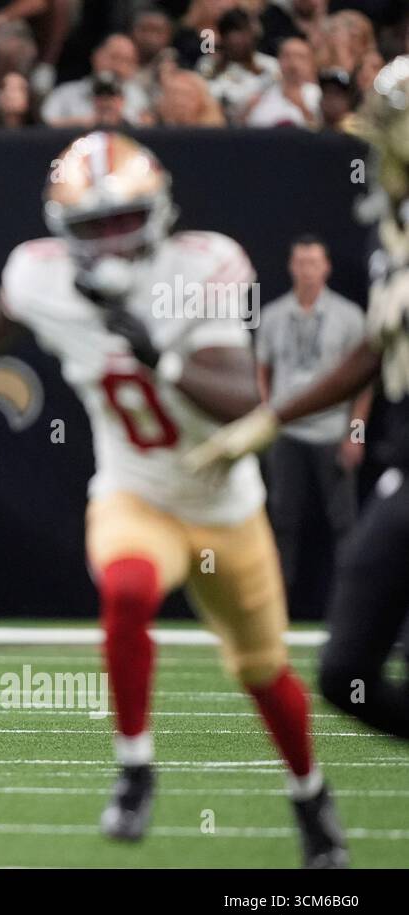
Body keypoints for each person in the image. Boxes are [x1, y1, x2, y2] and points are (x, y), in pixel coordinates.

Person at [0, 133, 346, 867]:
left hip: (225, 507)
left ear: (158, 207)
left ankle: (311, 796)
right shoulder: (41, 274)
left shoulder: (204, 265)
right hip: (135, 493)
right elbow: (7, 305)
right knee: (126, 589)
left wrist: (159, 354)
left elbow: (243, 404)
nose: (111, 239)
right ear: (63, 229)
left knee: (264, 671)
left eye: (124, 219)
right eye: (93, 226)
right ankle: (135, 769)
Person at [187, 56, 409, 744]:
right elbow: (375, 346)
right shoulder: (392, 223)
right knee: (346, 672)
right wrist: (270, 418)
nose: (376, 142)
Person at [255, 235, 368, 617]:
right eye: (300, 262)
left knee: (345, 526)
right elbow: (262, 369)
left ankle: (352, 612)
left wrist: (356, 433)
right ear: (291, 267)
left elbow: (365, 381)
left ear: (327, 267)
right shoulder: (271, 316)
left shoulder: (350, 316)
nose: (307, 271)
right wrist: (267, 417)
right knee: (281, 522)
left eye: (313, 263)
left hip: (332, 433)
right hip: (287, 434)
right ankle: (273, 613)